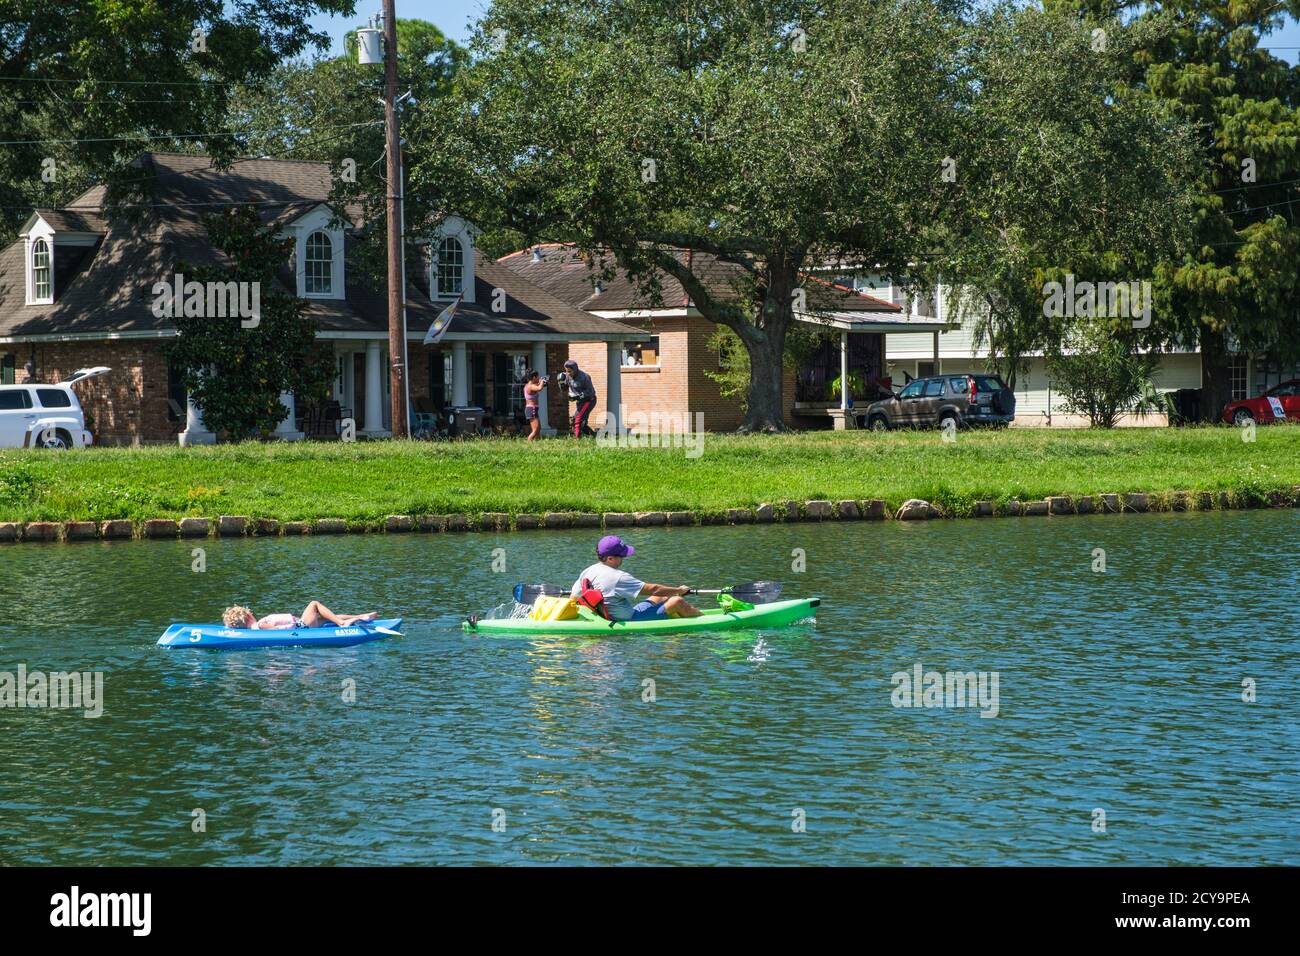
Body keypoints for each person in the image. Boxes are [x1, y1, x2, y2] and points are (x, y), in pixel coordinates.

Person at [570, 535, 702, 622]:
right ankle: (704, 619)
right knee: (677, 601)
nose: (623, 558)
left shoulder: (588, 571)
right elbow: (654, 589)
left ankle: (685, 613)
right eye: (621, 556)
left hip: (607, 616)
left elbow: (573, 597)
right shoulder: (618, 577)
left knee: (661, 597)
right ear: (610, 558)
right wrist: (679, 589)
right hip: (630, 619)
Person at [222, 602, 378, 630]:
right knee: (314, 604)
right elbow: (277, 632)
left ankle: (361, 616)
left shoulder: (257, 627)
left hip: (300, 624)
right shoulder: (260, 624)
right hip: (301, 626)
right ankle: (344, 623)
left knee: (326, 617)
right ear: (247, 616)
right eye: (250, 612)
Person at [556, 359, 597, 438]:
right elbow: (564, 389)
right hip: (580, 401)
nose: (568, 373)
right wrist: (560, 383)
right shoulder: (567, 376)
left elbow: (590, 392)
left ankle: (576, 438)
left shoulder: (585, 377)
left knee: (578, 418)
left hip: (589, 400)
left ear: (575, 369)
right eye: (567, 371)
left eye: (570, 371)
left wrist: (577, 396)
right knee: (580, 422)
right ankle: (595, 436)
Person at [522, 369, 547, 442]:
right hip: (531, 409)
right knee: (535, 430)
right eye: (538, 377)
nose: (539, 378)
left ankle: (536, 445)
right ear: (533, 377)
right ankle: (528, 445)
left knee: (538, 429)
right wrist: (542, 381)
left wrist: (542, 382)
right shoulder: (530, 386)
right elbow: (539, 388)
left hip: (533, 409)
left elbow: (537, 385)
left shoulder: (528, 385)